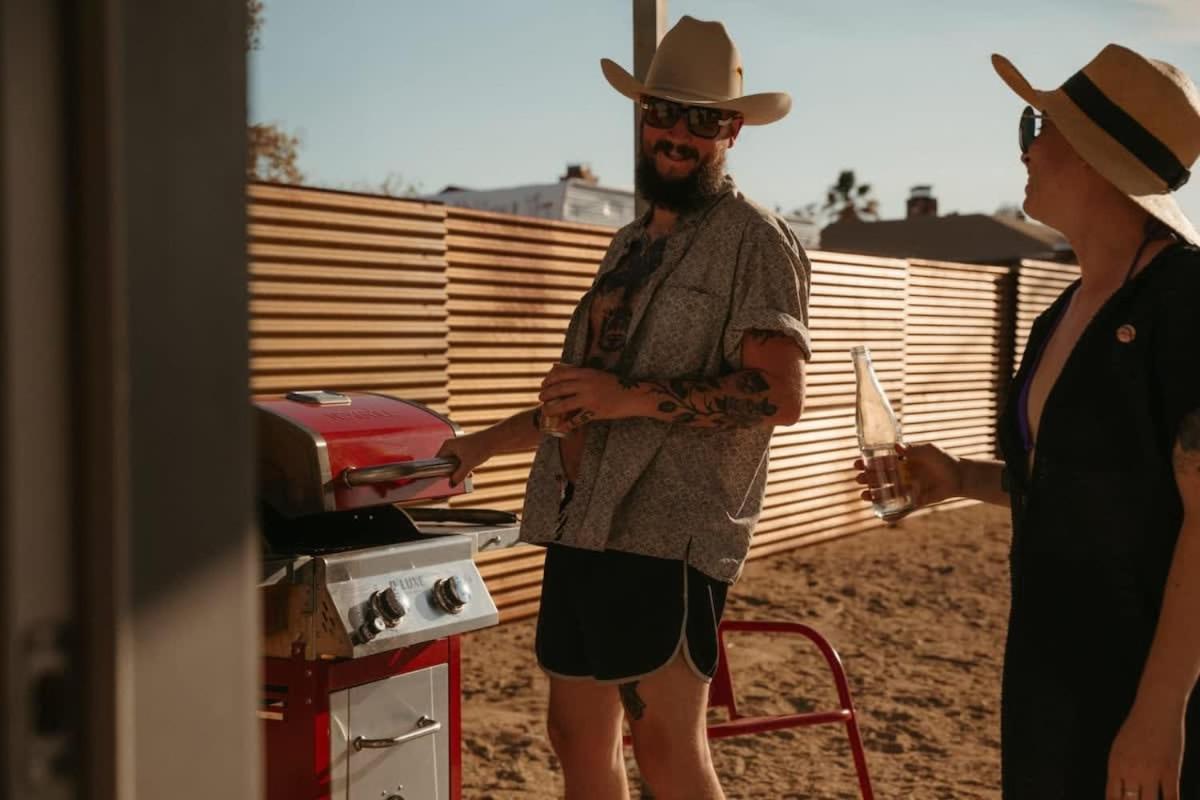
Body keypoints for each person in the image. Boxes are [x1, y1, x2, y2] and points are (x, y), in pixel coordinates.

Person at [437, 16, 810, 800]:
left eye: (702, 120)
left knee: (667, 746)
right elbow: (583, 399)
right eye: (663, 112)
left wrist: (627, 397)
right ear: (642, 118)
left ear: (732, 131)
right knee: (574, 735)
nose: (678, 133)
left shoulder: (756, 239)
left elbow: (778, 394)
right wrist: (477, 446)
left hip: (668, 533)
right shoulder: (628, 245)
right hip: (582, 521)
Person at [856, 45, 1200, 798]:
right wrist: (957, 477)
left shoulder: (1186, 302)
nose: (1027, 146)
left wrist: (1158, 713)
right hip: (1051, 669)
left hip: (1151, 680)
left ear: (1095, 156)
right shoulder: (1061, 313)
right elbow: (1073, 489)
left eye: (1039, 124)